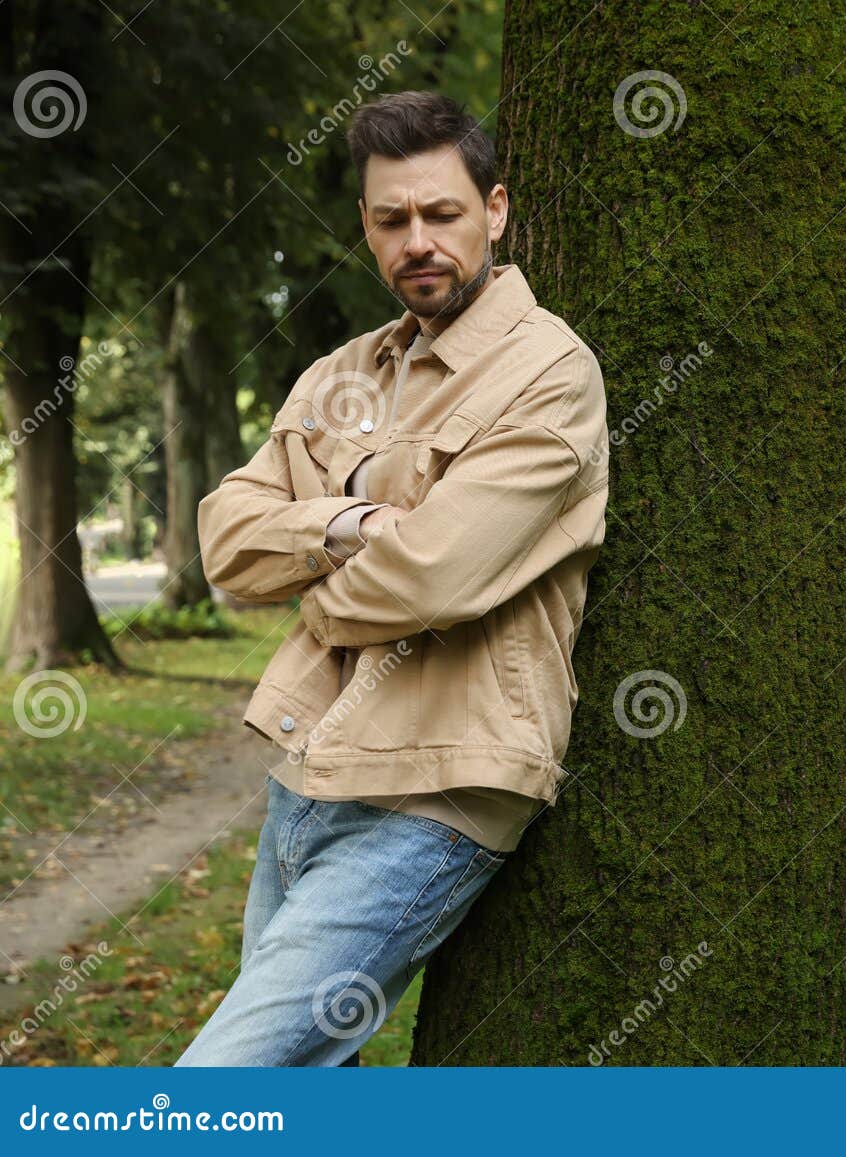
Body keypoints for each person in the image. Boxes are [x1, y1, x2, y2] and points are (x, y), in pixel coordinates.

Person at [178, 91, 608, 1065]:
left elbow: (432, 577)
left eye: (442, 213)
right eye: (391, 219)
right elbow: (224, 544)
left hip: (437, 793)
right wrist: (351, 519)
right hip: (307, 770)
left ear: (494, 210)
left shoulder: (549, 371)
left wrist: (313, 582)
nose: (418, 239)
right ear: (367, 229)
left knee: (221, 1083)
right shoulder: (341, 374)